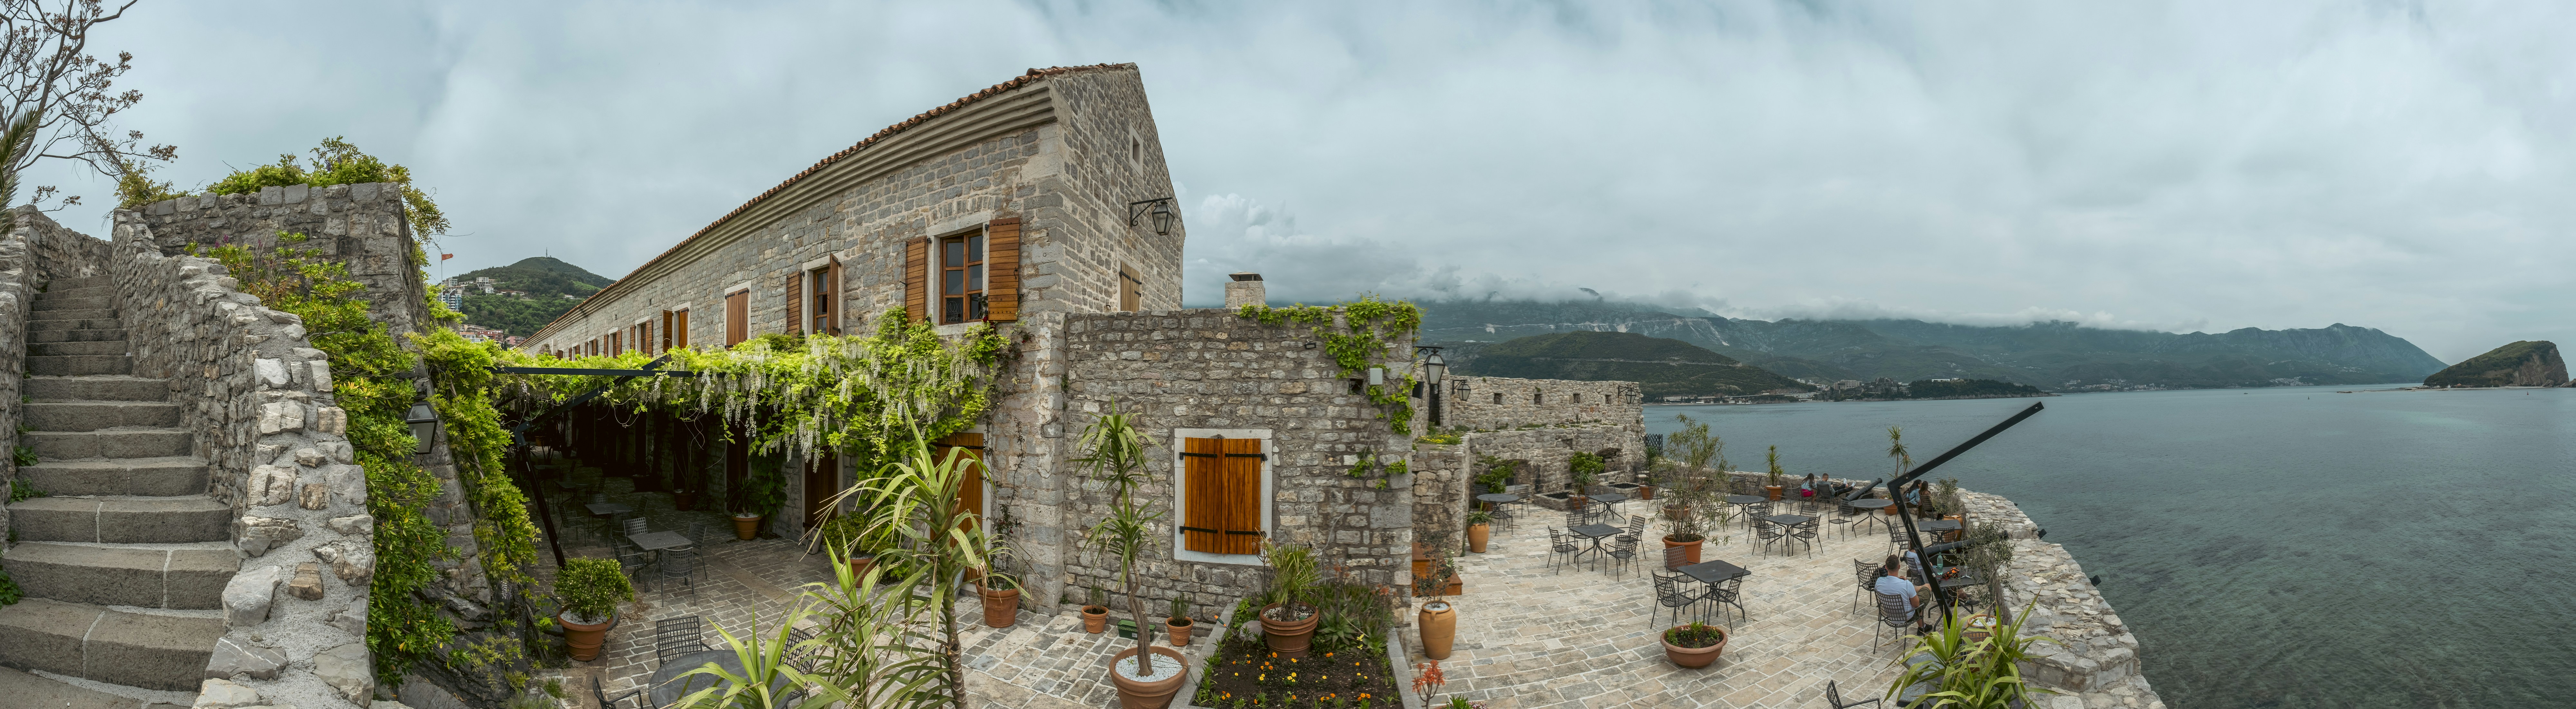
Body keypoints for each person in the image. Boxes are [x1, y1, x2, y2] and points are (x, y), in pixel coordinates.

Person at [1876, 553, 1935, 634]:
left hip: (1889, 615)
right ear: (1899, 567)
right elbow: (1917, 605)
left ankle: (1923, 627)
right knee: (1927, 587)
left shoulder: (1879, 582)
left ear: (1886, 567)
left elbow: (1892, 588)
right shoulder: (1906, 584)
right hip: (1907, 617)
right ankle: (1922, 627)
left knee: (1912, 592)